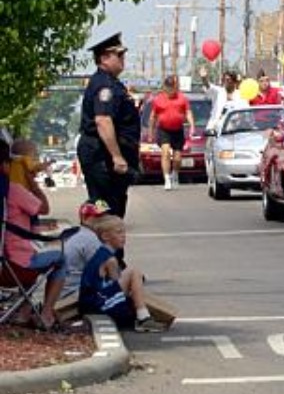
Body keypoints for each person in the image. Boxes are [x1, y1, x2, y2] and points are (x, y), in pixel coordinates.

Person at [1, 141, 73, 331]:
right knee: (59, 259)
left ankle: (24, 310)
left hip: (10, 263)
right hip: (11, 266)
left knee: (34, 256)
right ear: (5, 166)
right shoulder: (13, 190)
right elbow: (44, 207)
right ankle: (46, 313)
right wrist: (32, 183)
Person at [77, 33, 141, 218]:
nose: (123, 60)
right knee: (107, 214)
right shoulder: (104, 85)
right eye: (119, 55)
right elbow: (103, 120)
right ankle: (106, 247)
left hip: (105, 154)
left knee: (114, 209)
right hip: (101, 155)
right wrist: (116, 157)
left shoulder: (112, 83)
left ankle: (111, 246)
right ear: (104, 58)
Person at [79, 214, 166, 332]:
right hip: (98, 305)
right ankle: (143, 318)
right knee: (134, 272)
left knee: (133, 278)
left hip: (90, 303)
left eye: (124, 232)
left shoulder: (101, 252)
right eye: (119, 232)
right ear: (105, 236)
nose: (124, 236)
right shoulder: (110, 260)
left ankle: (142, 314)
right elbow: (117, 286)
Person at [148, 75, 194, 191]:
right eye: (168, 87)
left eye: (172, 87)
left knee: (177, 157)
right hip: (164, 130)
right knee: (165, 152)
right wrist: (151, 133)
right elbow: (153, 117)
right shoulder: (158, 99)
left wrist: (192, 126)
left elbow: (188, 113)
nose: (170, 90)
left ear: (175, 87)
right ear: (165, 87)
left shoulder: (182, 98)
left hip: (178, 130)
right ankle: (167, 178)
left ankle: (175, 174)